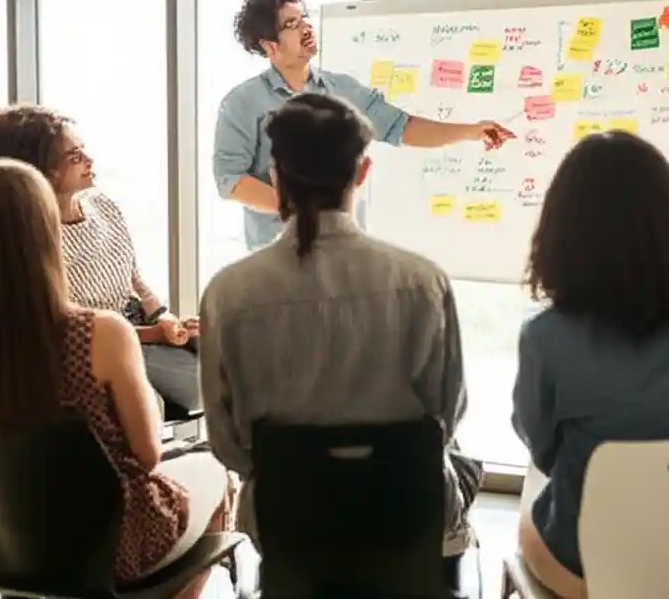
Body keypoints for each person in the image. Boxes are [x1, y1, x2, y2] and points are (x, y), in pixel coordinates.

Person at [0, 159, 228, 593]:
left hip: (9, 540)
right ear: (44, 235)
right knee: (214, 472)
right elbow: (148, 454)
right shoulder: (100, 332)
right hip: (113, 543)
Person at [199, 93, 481, 556]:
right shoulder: (422, 281)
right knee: (461, 464)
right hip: (408, 519)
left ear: (275, 176)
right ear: (363, 173)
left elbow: (227, 444)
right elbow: (446, 417)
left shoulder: (229, 293)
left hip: (287, 528)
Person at [512, 131, 669, 598]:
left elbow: (542, 449)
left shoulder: (547, 336)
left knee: (530, 497)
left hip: (593, 568)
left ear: (564, 229)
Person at [214, 0, 517, 251]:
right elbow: (230, 180)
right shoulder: (242, 103)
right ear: (270, 45)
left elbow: (401, 128)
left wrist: (471, 131)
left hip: (344, 254)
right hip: (277, 257)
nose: (306, 28)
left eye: (305, 18)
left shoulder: (343, 89)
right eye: (292, 24)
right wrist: (300, 208)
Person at [0, 105, 203, 413]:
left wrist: (163, 317)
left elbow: (134, 278)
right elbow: (64, 332)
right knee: (190, 392)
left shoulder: (102, 205)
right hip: (96, 347)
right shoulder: (30, 241)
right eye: (75, 157)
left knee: (229, 369)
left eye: (84, 151)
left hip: (137, 327)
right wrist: (152, 335)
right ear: (40, 170)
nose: (89, 161)